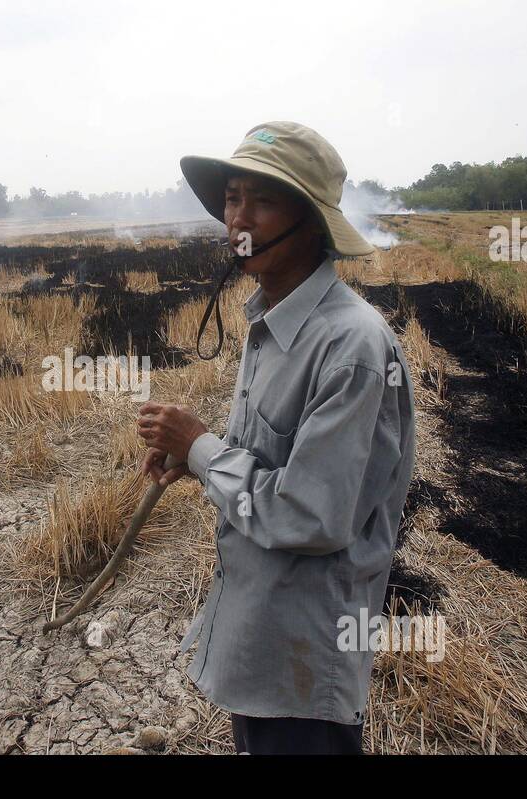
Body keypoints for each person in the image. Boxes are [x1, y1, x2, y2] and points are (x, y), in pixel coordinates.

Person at [137, 121, 417, 754]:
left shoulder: (350, 345)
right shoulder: (273, 316)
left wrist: (203, 448)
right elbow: (270, 458)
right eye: (233, 197)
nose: (239, 217)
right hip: (262, 626)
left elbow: (309, 515)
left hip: (305, 646)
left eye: (262, 200)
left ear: (312, 222)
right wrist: (194, 456)